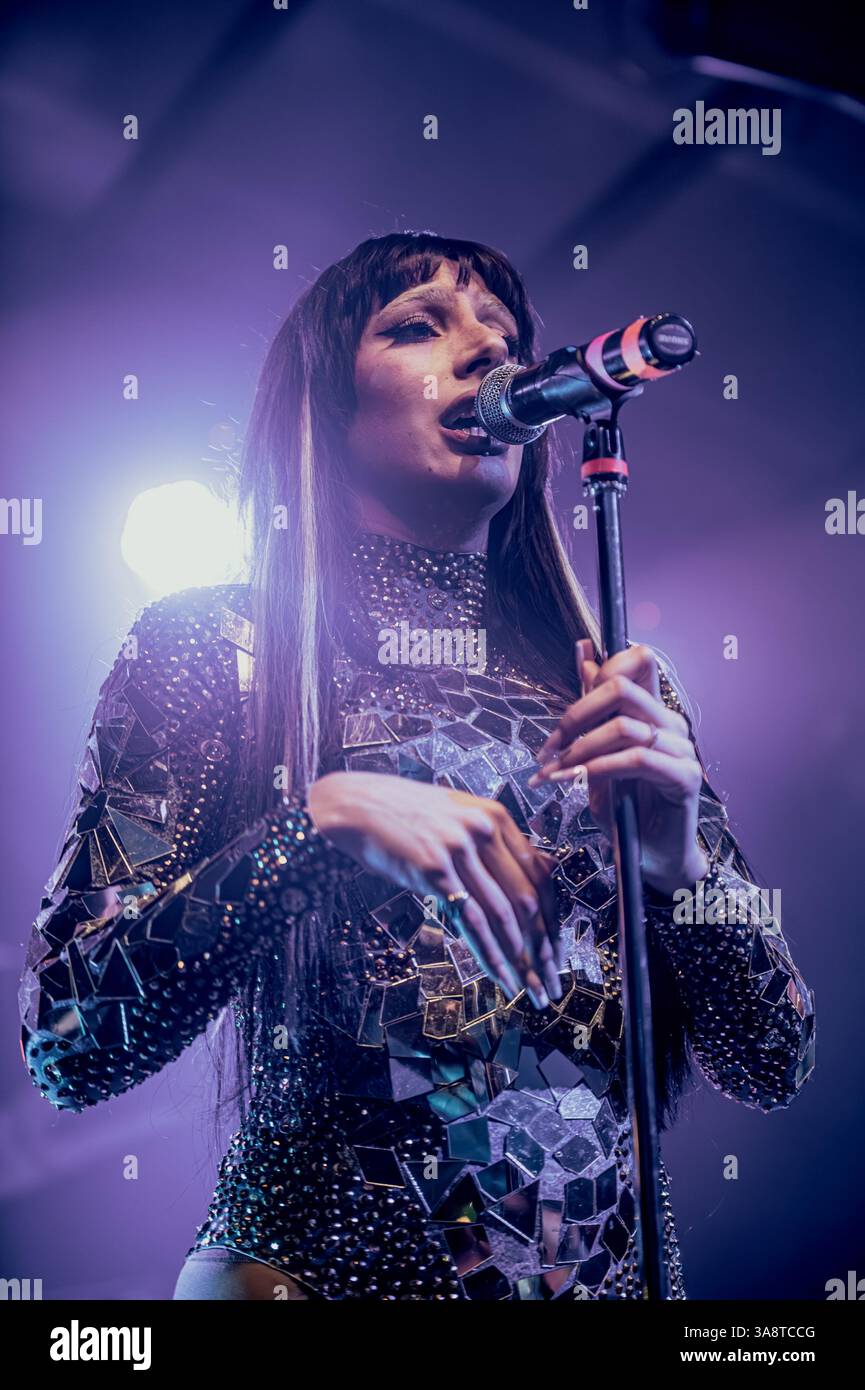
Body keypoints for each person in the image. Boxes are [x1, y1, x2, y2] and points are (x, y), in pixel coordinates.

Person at [18, 231, 815, 1301]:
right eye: (417, 326)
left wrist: (683, 868)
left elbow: (775, 1057)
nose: (486, 352)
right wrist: (317, 824)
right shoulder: (220, 644)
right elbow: (69, 1036)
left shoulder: (609, 688)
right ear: (325, 406)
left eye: (503, 332)